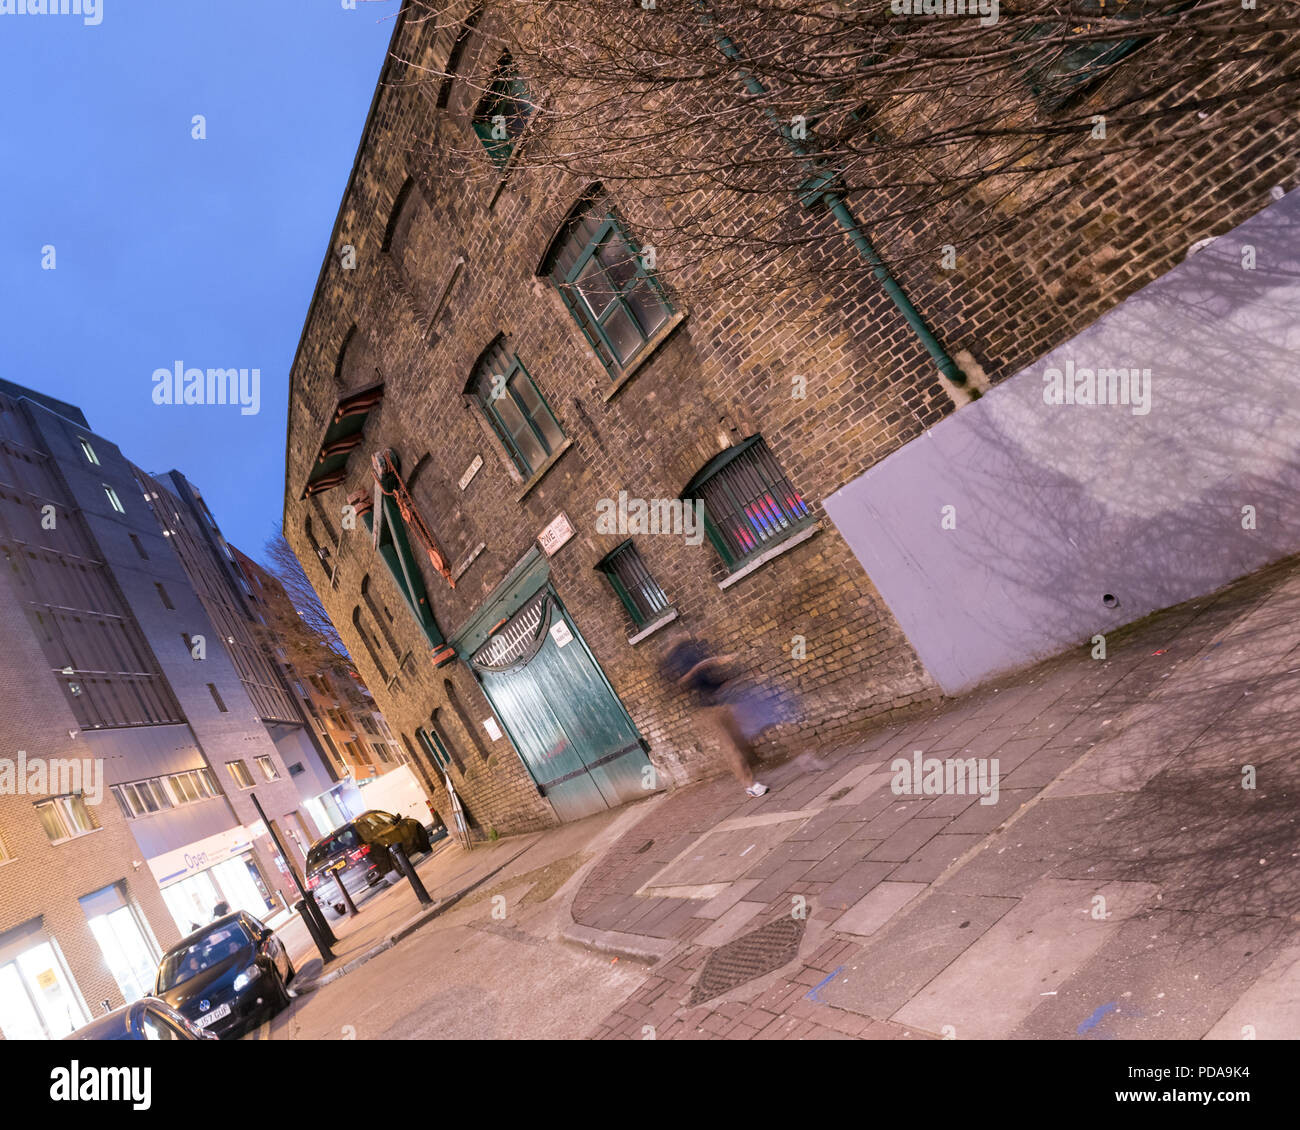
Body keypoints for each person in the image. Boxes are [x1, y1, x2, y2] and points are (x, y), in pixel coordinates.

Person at [663, 635, 768, 797]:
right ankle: (749, 785)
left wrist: (724, 681)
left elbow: (707, 678)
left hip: (721, 702)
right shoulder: (673, 664)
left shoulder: (693, 652)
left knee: (740, 739)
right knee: (730, 746)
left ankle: (752, 771)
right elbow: (681, 683)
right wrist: (705, 664)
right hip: (707, 710)